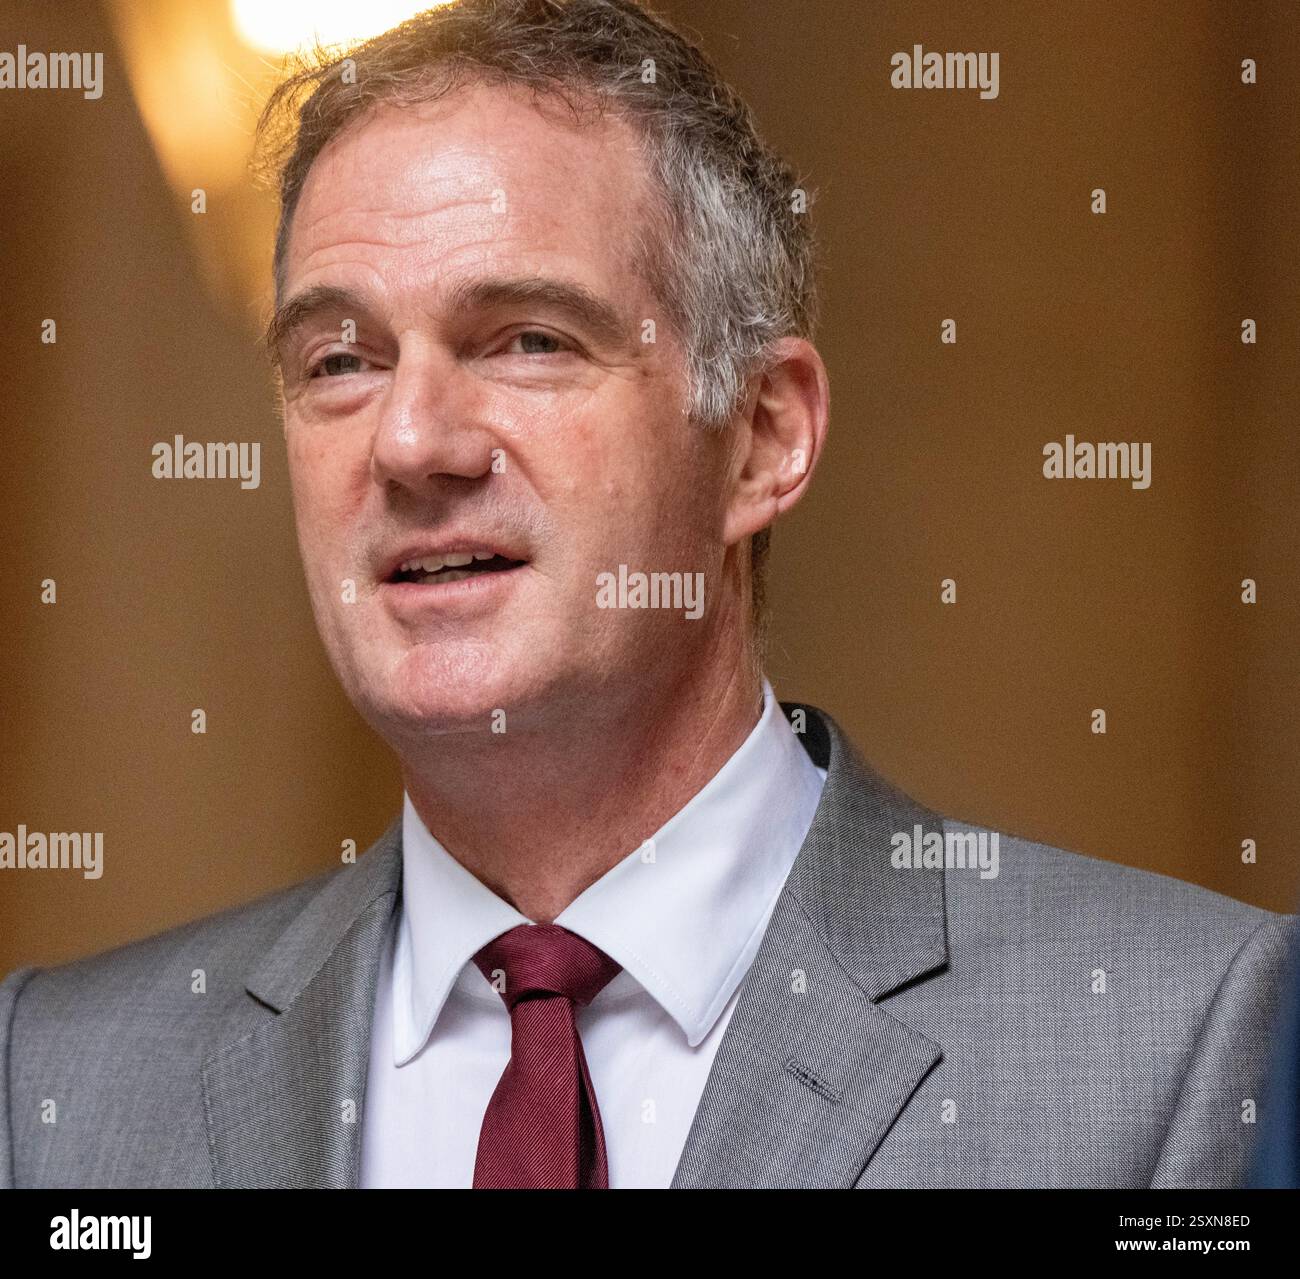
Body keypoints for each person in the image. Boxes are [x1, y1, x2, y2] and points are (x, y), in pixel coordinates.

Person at [0, 0, 1293, 1190]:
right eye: (341, 360)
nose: (411, 441)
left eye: (530, 340)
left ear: (762, 438)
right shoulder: (62, 1085)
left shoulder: (1170, 1039)